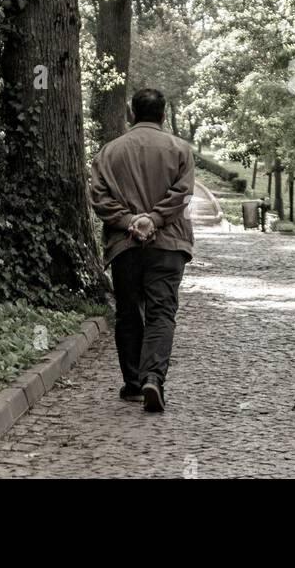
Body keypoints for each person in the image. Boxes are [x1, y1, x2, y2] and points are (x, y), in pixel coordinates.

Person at [89, 88, 194, 413]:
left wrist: (130, 220)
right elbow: (182, 193)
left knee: (128, 311)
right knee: (162, 312)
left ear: (131, 114)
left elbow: (98, 196)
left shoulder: (109, 152)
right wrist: (155, 219)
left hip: (124, 244)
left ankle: (133, 383)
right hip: (168, 244)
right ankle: (153, 378)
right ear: (163, 115)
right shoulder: (180, 149)